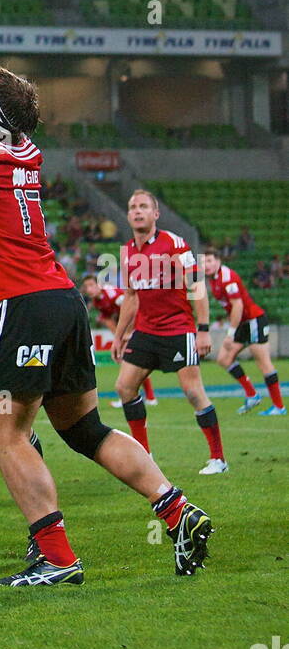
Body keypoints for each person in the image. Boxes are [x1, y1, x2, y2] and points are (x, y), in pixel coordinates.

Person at [0, 0, 213, 586]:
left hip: (14, 307)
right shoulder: (23, 149)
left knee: (5, 436)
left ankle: (56, 557)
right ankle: (178, 510)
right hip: (61, 302)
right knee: (84, 429)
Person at [112, 191, 228, 475]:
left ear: (156, 214)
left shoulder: (174, 244)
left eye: (143, 207)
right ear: (128, 215)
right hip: (146, 330)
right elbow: (131, 296)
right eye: (133, 208)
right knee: (125, 388)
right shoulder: (127, 251)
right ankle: (144, 456)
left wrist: (202, 330)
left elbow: (196, 285)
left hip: (178, 329)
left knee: (192, 391)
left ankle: (218, 459)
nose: (137, 211)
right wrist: (118, 335)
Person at [202, 247, 285, 417]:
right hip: (242, 323)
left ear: (218, 261)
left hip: (253, 320)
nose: (206, 265)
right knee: (224, 359)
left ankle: (279, 406)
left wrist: (230, 333)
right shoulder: (213, 279)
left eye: (210, 261)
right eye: (203, 262)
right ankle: (252, 395)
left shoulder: (227, 277)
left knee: (263, 363)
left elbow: (238, 305)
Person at [80, 272, 157, 408]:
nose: (89, 289)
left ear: (99, 285)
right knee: (133, 362)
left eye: (91, 285)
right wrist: (118, 337)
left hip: (139, 323)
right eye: (86, 286)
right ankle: (147, 397)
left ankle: (133, 397)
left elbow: (133, 308)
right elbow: (108, 319)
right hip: (129, 329)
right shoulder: (98, 301)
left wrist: (127, 333)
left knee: (131, 362)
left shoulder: (111, 294)